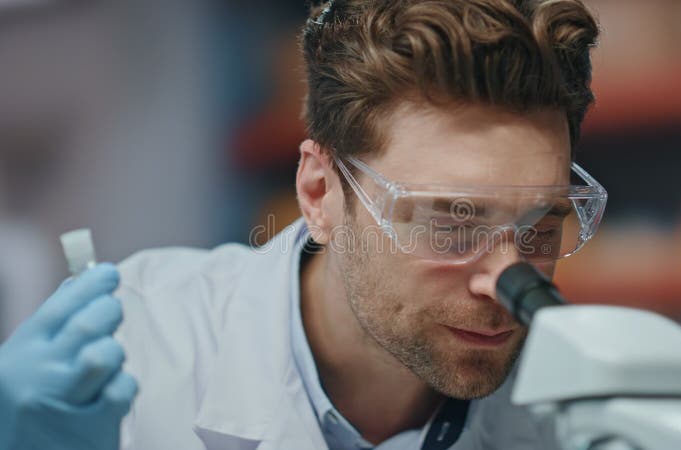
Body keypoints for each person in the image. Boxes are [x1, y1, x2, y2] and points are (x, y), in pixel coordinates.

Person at [0, 0, 603, 449]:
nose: (505, 280)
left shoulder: (579, 409)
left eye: (540, 224)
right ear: (320, 193)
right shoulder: (143, 352)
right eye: (453, 222)